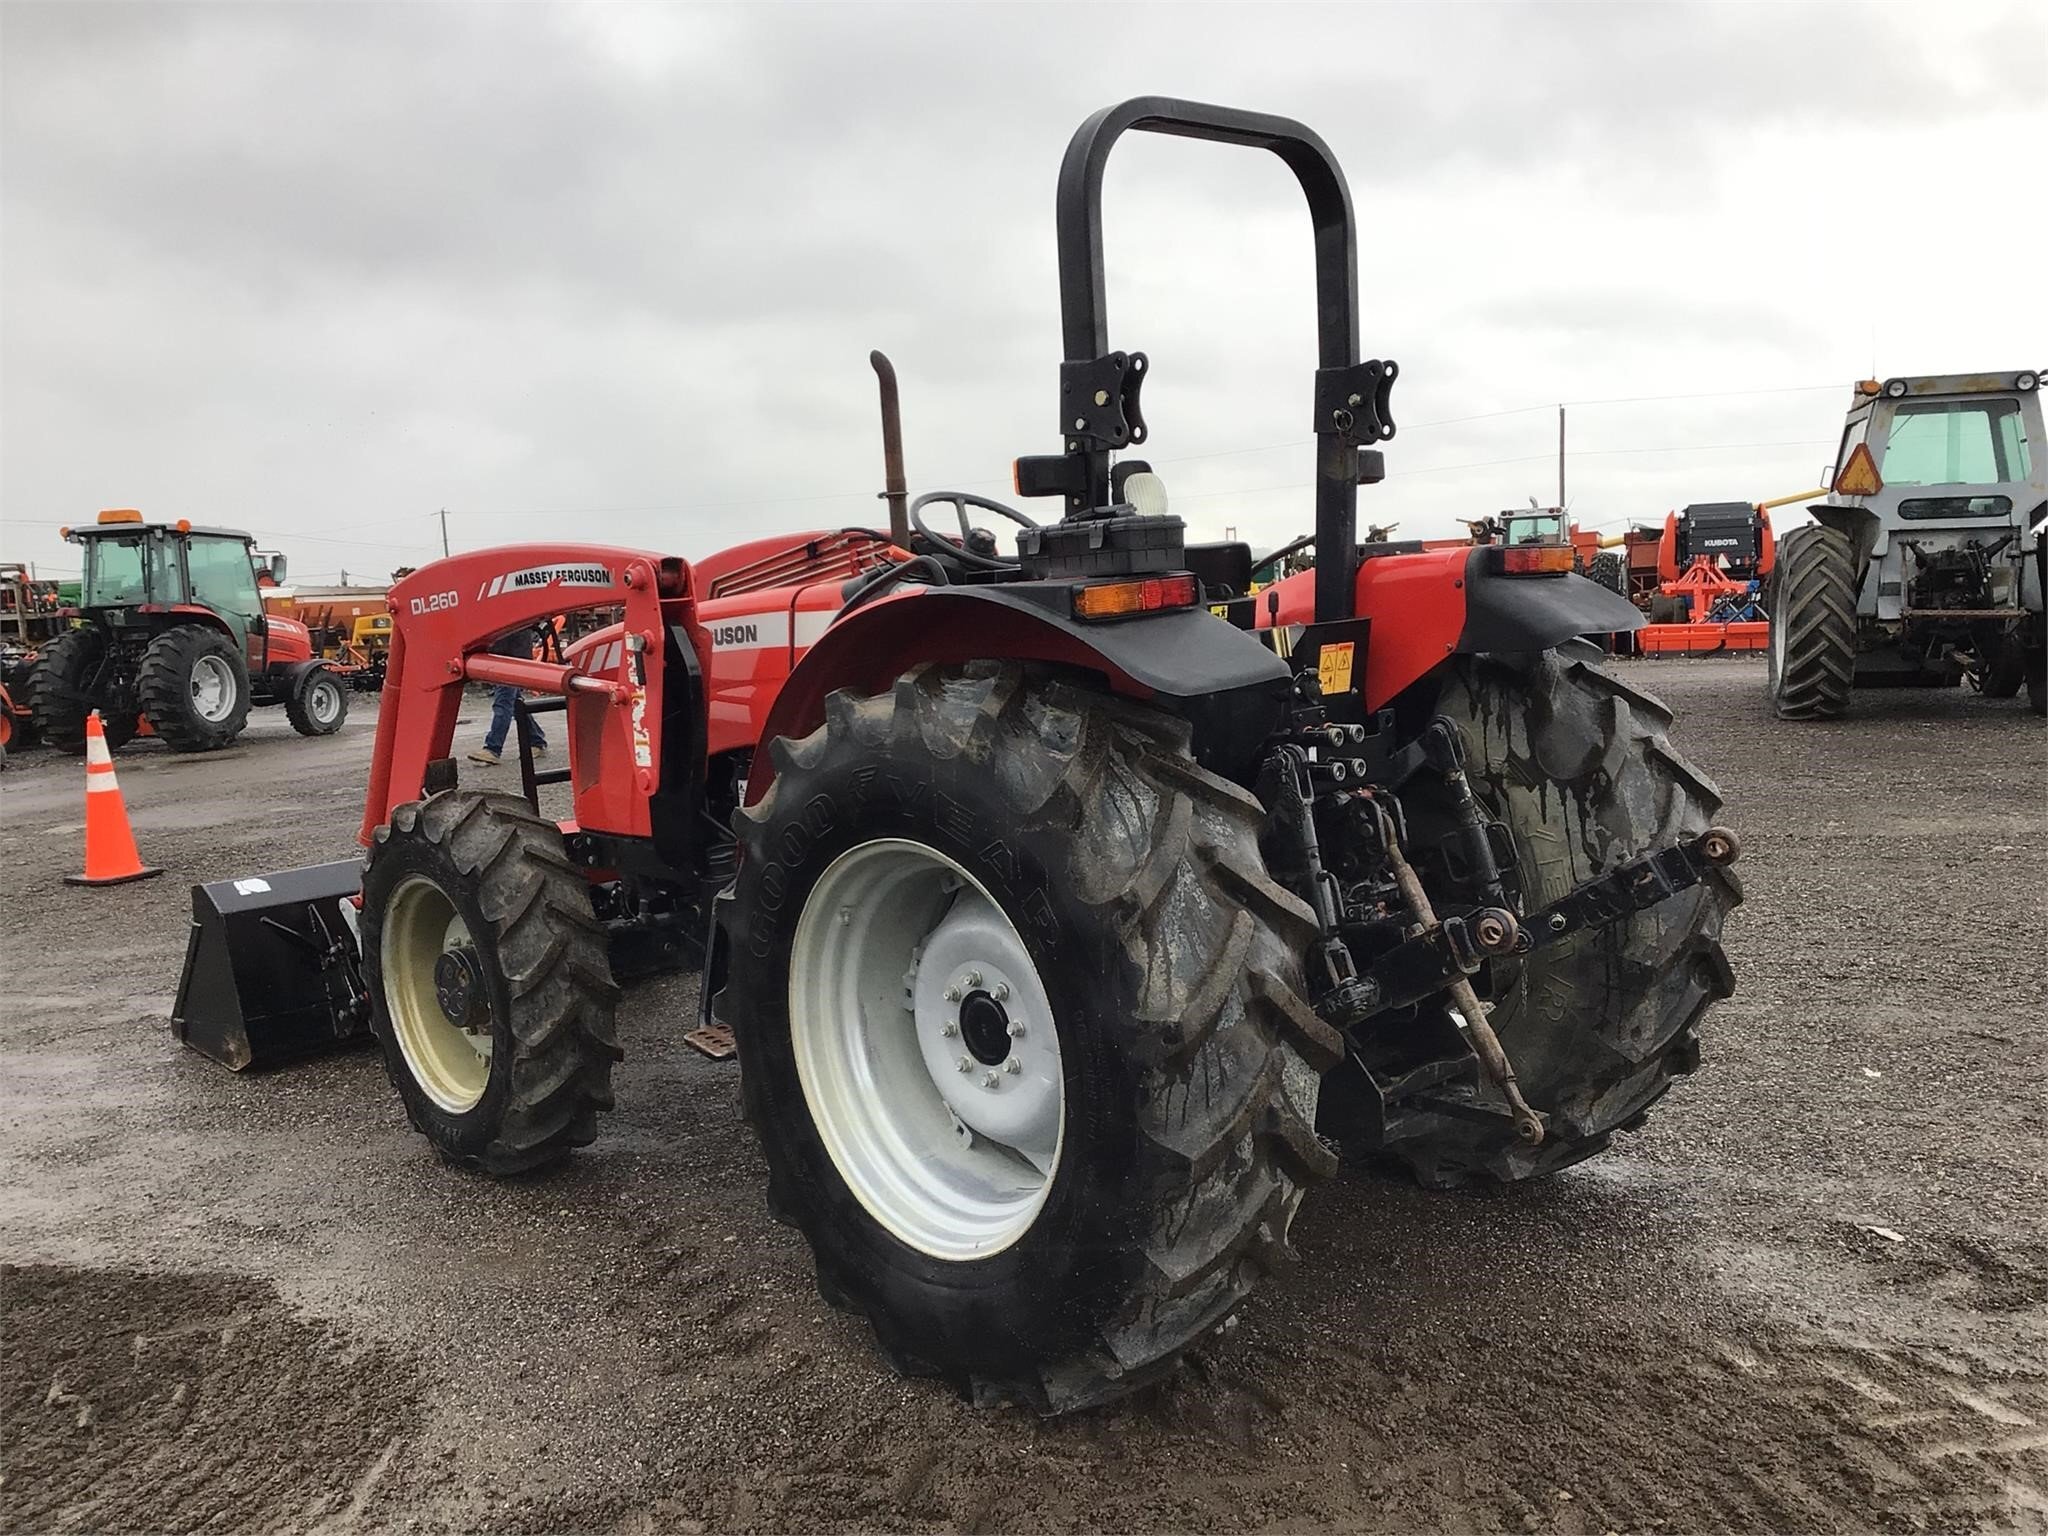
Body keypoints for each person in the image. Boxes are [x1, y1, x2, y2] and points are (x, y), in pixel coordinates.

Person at [467, 625, 547, 766]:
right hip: (513, 654)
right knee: (514, 701)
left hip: (509, 656)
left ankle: (492, 749)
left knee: (503, 702)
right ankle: (536, 741)